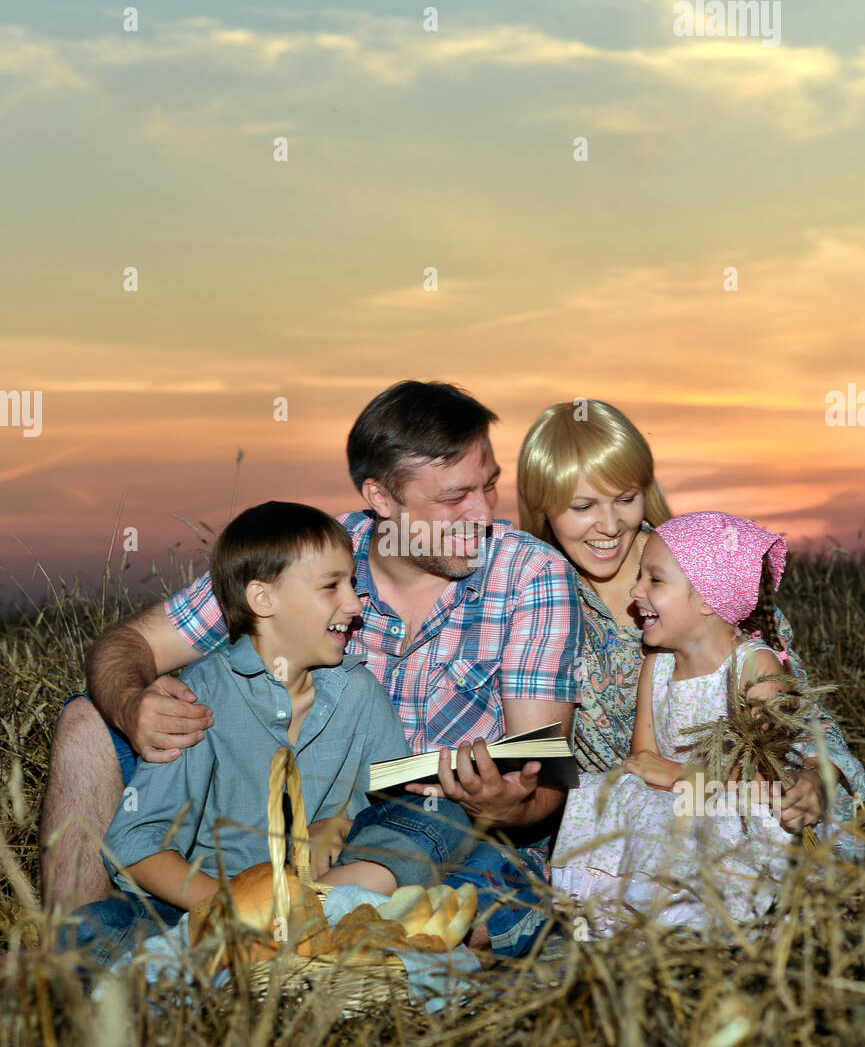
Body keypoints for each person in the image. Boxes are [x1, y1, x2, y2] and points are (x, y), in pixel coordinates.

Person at [42, 382, 582, 957]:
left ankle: (240, 941)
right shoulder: (308, 556)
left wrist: (505, 801)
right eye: (455, 498)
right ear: (380, 495)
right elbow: (130, 644)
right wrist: (131, 707)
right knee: (85, 720)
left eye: (491, 485)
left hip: (437, 827)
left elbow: (542, 778)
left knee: (458, 859)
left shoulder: (529, 574)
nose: (483, 512)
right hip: (273, 821)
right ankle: (65, 963)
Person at [59, 502, 478, 965]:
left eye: (353, 585)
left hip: (333, 885)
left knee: (443, 814)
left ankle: (310, 918)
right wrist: (232, 905)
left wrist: (337, 824)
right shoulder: (197, 699)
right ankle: (280, 938)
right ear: (262, 600)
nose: (356, 604)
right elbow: (137, 846)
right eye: (331, 586)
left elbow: (395, 804)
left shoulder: (359, 690)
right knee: (91, 933)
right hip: (208, 904)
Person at [517, 399, 865, 835]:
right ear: (542, 505)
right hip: (629, 833)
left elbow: (808, 723)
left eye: (626, 499)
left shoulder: (711, 572)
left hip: (752, 815)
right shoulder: (532, 602)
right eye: (582, 507)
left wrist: (817, 779)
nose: (608, 525)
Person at [550, 512, 857, 934]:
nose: (636, 591)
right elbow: (642, 757)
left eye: (654, 580)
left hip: (737, 804)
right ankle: (618, 910)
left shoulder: (754, 667)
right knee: (597, 789)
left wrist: (678, 776)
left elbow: (762, 778)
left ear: (709, 597)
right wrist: (660, 776)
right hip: (680, 800)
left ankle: (700, 917)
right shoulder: (656, 666)